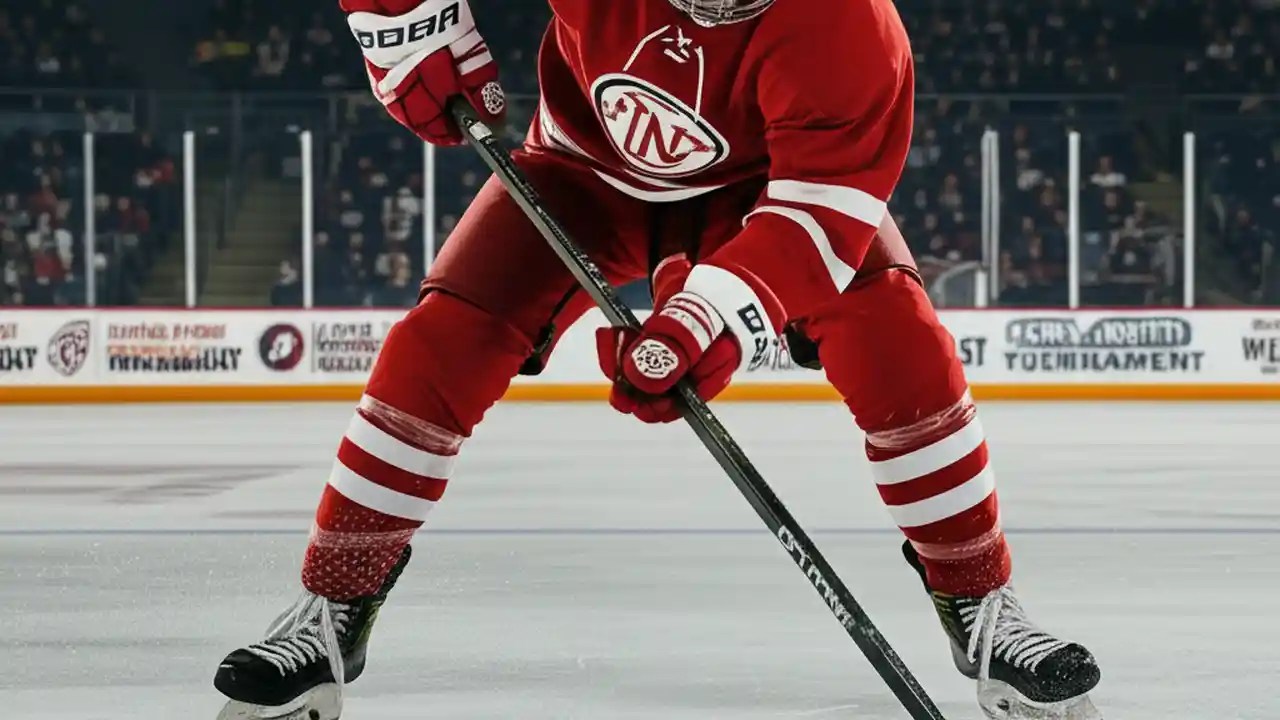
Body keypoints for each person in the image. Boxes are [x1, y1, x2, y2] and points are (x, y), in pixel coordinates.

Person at [213, 1, 1102, 719]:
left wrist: (703, 320)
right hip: (579, 173)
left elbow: (817, 224)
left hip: (760, 201)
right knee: (441, 343)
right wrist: (400, 17)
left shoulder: (851, 28)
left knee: (898, 341)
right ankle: (333, 609)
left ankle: (978, 603)